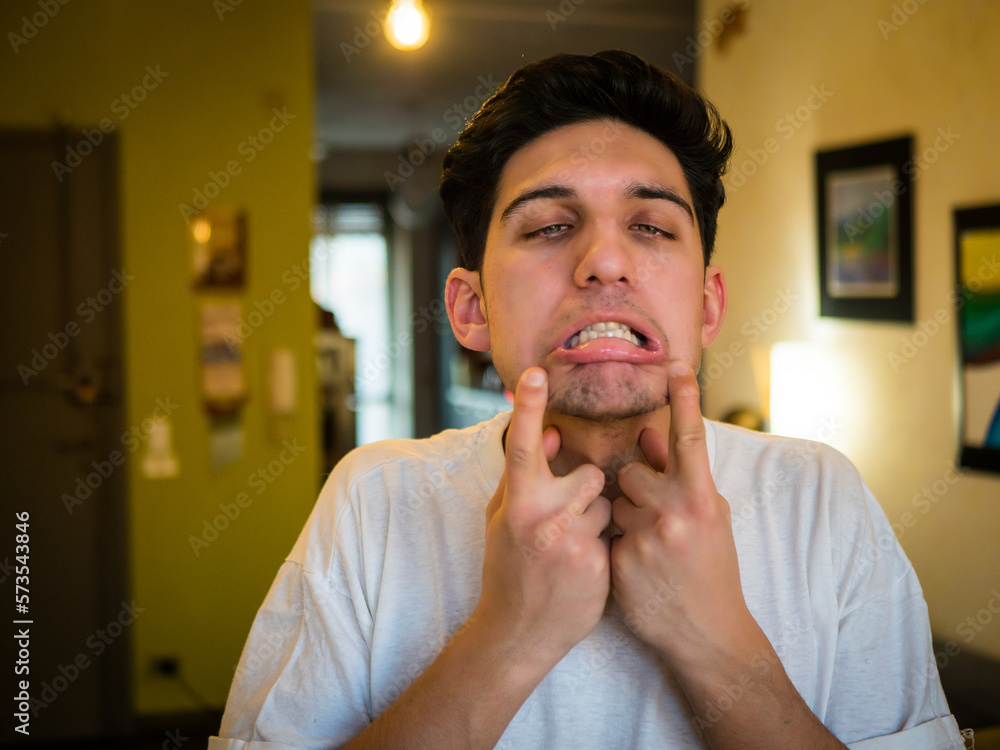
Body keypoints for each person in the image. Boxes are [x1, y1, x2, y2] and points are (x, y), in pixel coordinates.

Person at [210, 50, 964, 749]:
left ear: (707, 304)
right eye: (549, 226)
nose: (604, 261)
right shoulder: (373, 502)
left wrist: (717, 640)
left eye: (649, 225)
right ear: (471, 309)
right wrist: (507, 639)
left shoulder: (821, 501)